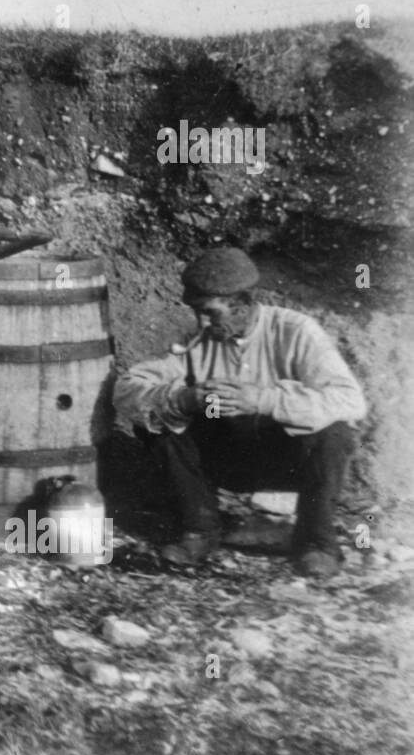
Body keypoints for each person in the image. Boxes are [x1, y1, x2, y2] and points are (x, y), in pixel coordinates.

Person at [113, 247, 366, 579]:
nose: (201, 322)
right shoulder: (197, 341)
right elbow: (127, 388)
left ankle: (316, 542)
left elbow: (350, 401)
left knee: (335, 434)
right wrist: (182, 398)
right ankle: (200, 530)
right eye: (196, 312)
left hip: (288, 462)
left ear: (244, 304)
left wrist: (264, 399)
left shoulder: (296, 331)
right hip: (226, 460)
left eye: (209, 312)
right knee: (160, 421)